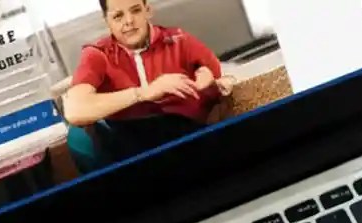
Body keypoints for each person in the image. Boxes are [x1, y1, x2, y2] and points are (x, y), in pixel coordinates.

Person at [63, 0, 235, 161]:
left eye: (136, 10)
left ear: (148, 10)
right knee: (79, 136)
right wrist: (144, 93)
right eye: (118, 16)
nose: (129, 21)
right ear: (106, 20)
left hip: (188, 137)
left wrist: (210, 79)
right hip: (130, 149)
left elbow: (222, 75)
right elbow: (75, 111)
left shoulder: (179, 41)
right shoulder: (97, 54)